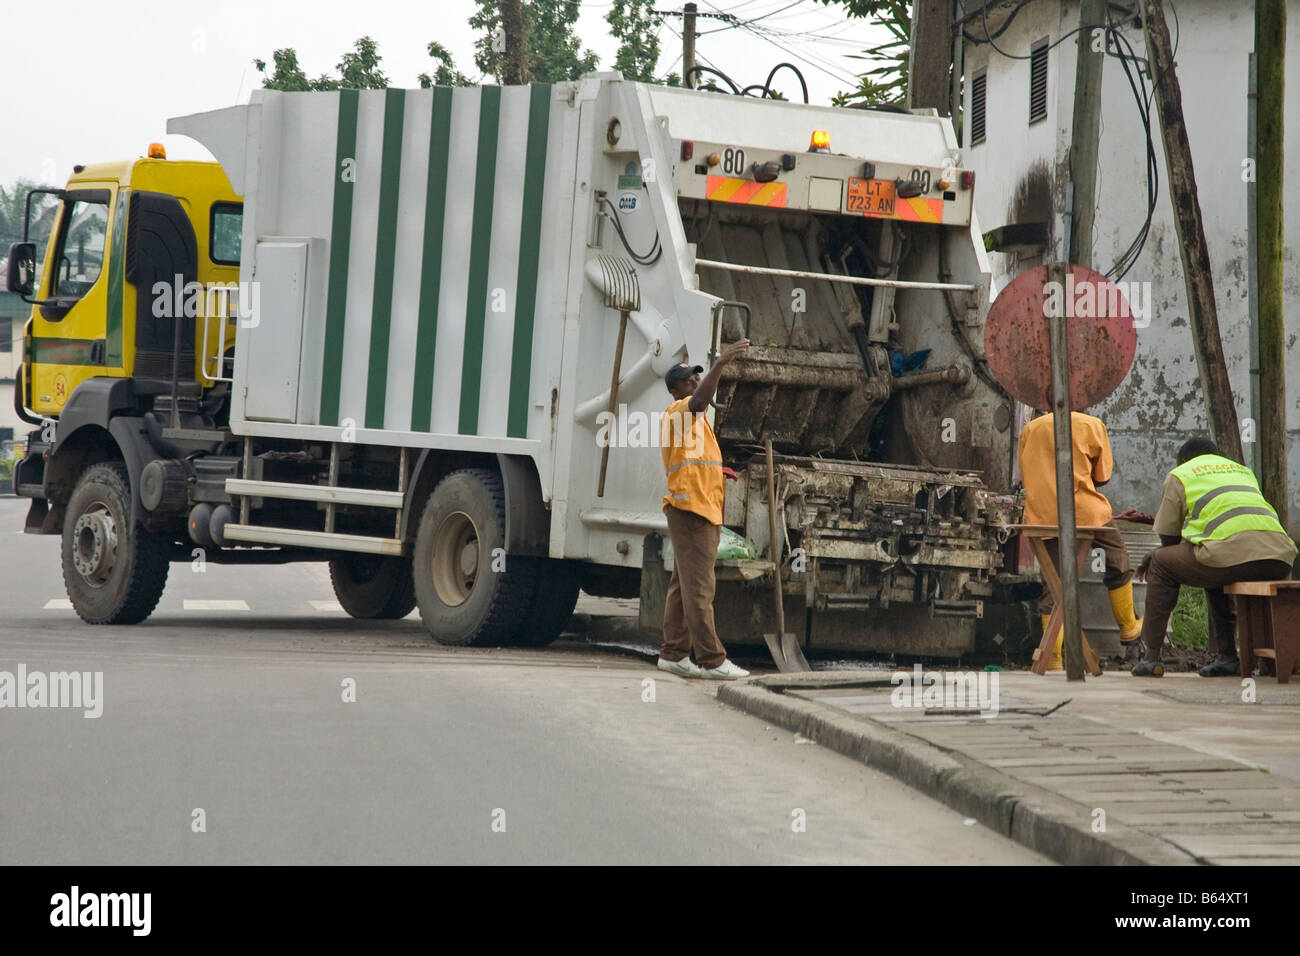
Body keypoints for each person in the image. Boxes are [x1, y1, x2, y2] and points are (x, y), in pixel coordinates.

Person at [1131, 437, 1296, 678]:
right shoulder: (1242, 471)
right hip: (1280, 555)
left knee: (1161, 563)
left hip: (1226, 554)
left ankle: (1151, 657)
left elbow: (1168, 539)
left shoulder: (1181, 474)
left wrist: (1153, 555)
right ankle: (1228, 657)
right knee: (1212, 563)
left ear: (1184, 461)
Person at [1018, 409, 1142, 670]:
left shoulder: (1030, 429)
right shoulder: (1091, 424)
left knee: (1054, 583)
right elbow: (1102, 477)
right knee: (1118, 561)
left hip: (1043, 517)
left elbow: (1026, 475)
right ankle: (1129, 629)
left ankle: (1052, 659)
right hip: (1087, 514)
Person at [656, 340, 751, 680]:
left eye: (697, 377)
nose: (695, 382)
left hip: (698, 511)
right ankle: (712, 659)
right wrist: (720, 364)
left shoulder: (695, 424)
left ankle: (673, 654)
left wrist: (719, 473)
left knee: (683, 588)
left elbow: (694, 462)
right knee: (700, 590)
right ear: (674, 390)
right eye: (688, 379)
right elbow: (697, 402)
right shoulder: (680, 412)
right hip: (692, 513)